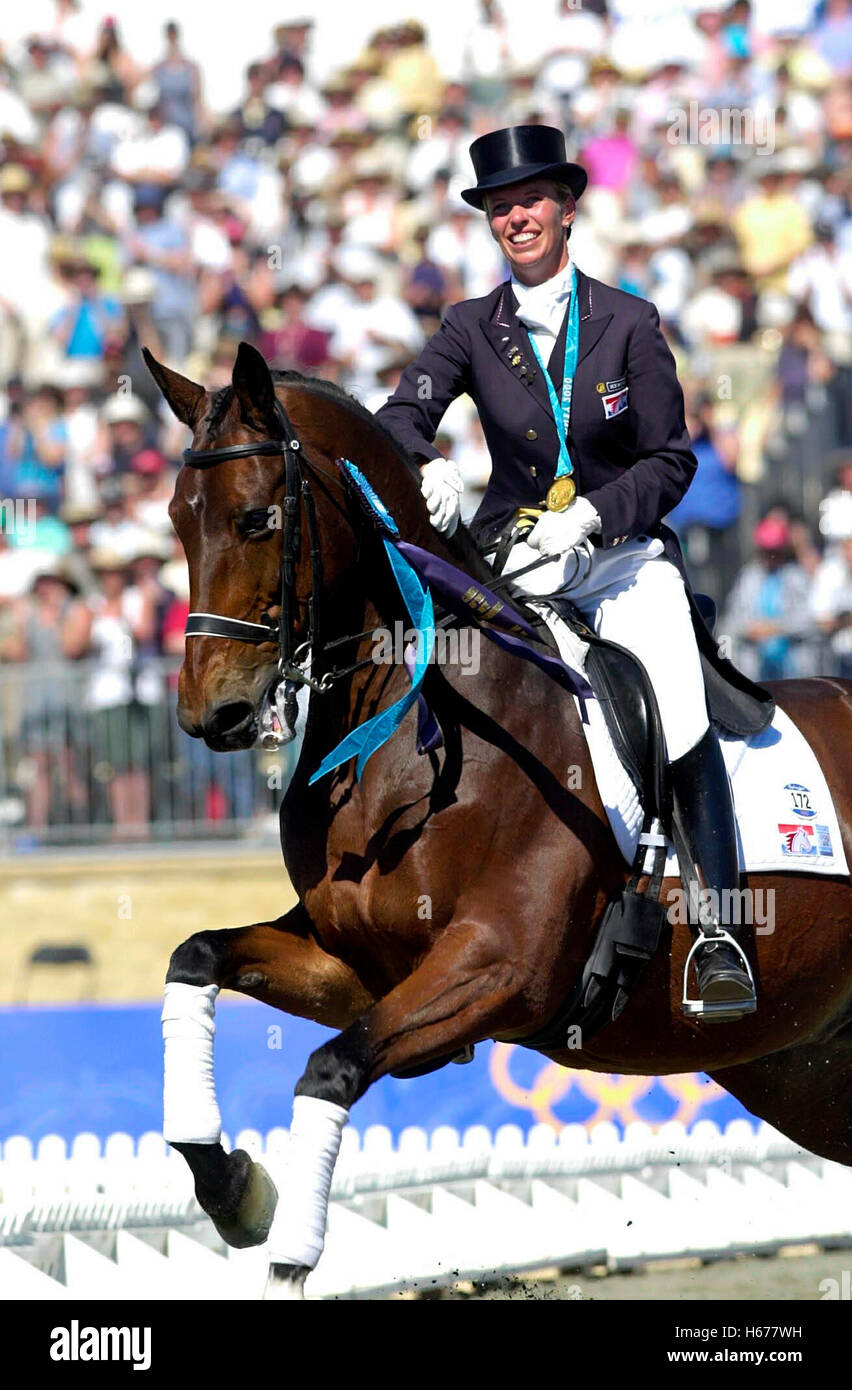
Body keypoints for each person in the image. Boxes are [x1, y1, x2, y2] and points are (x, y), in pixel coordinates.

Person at [377, 124, 772, 1021]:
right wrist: (425, 461)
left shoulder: (628, 322)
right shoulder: (469, 327)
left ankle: (719, 932)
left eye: (530, 202)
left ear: (565, 208)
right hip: (516, 558)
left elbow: (671, 461)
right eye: (500, 208)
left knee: (674, 702)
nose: (516, 218)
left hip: (619, 559)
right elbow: (400, 414)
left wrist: (594, 516)